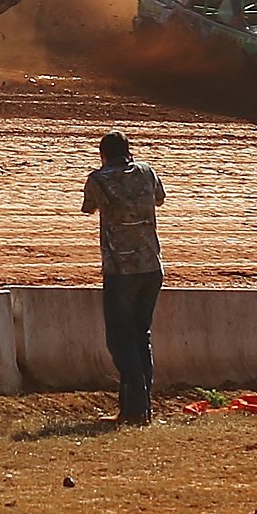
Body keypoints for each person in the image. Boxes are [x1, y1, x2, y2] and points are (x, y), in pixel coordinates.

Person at [81, 130, 166, 425]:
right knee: (141, 337)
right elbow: (160, 199)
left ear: (102, 154)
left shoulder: (99, 179)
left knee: (120, 340)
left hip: (121, 270)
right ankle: (139, 409)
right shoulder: (147, 171)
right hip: (152, 267)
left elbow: (89, 207)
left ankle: (136, 408)